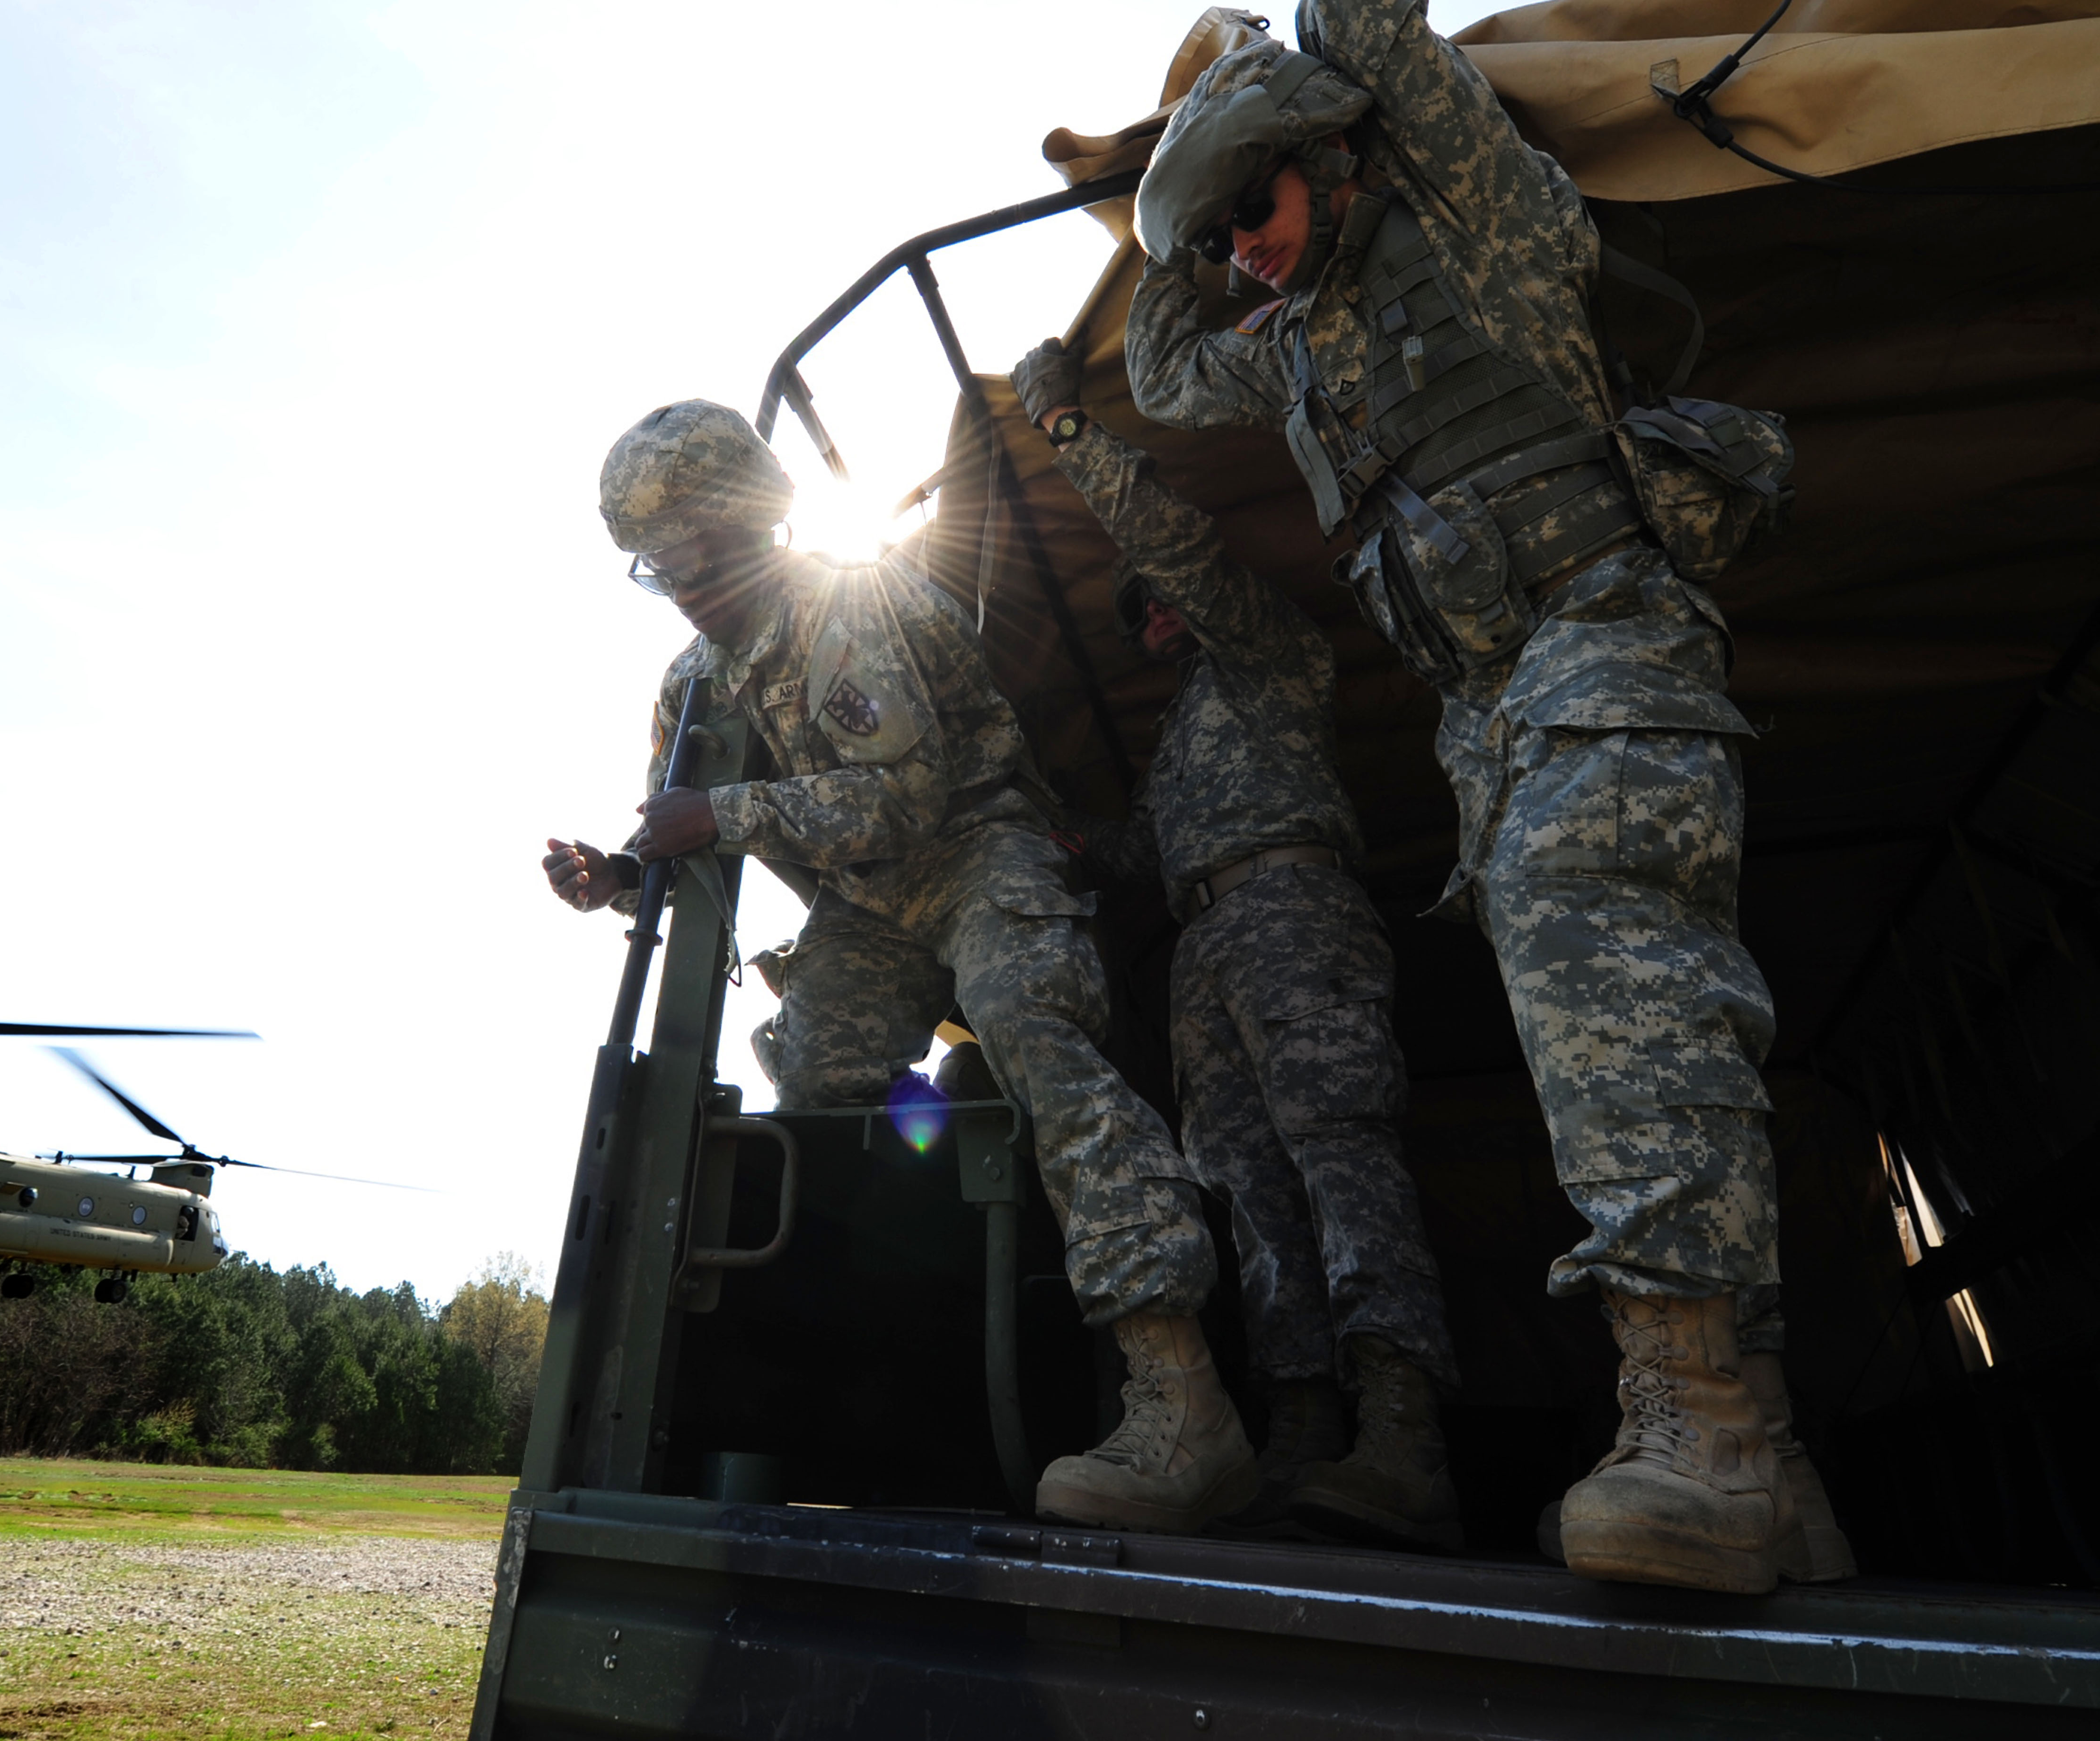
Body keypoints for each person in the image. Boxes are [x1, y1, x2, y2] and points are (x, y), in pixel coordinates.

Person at [1115, 1, 1853, 1591]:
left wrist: (1260, 65)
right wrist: (1181, 174)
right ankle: (1767, 1462)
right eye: (1223, 230)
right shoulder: (1296, 351)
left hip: (1605, 639)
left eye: (1262, 204)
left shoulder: (1478, 217)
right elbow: (1162, 373)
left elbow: (1370, 27)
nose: (1245, 248)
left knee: (1609, 975)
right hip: (1494, 713)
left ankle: (1701, 1421)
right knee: (1630, 1030)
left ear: (1339, 155)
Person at [546, 398, 1252, 1534]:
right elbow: (686, 829)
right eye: (652, 566)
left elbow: (908, 796)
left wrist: (719, 813)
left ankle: (1183, 1399)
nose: (678, 582)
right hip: (867, 908)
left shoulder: (854, 606)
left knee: (1035, 1032)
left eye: (694, 551)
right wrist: (623, 873)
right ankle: (900, 1373)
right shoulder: (692, 688)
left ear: (757, 520)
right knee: (814, 1094)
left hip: (976, 848)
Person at [1011, 337, 1460, 1549]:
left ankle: (1403, 1438)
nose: (1151, 614)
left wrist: (1069, 428)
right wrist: (1054, 833)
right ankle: (1303, 1433)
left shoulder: (1268, 651)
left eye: (1157, 596)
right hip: (1209, 942)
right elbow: (1138, 857)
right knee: (1249, 1192)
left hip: (1292, 912)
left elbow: (1179, 551)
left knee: (1339, 1157)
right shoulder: (1181, 749)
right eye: (1135, 613)